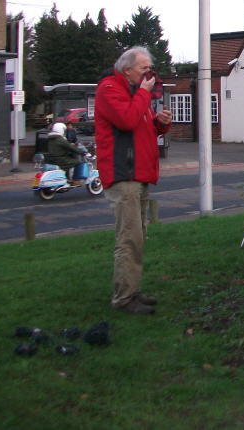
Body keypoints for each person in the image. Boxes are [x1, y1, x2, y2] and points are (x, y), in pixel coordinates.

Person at [94, 46, 172, 315]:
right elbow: (126, 120)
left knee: (138, 237)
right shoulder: (109, 89)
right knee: (129, 238)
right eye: (143, 68)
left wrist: (160, 123)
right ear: (127, 70)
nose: (149, 72)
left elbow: (143, 127)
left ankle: (131, 292)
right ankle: (124, 299)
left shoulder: (136, 93)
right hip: (123, 175)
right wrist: (143, 94)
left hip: (138, 174)